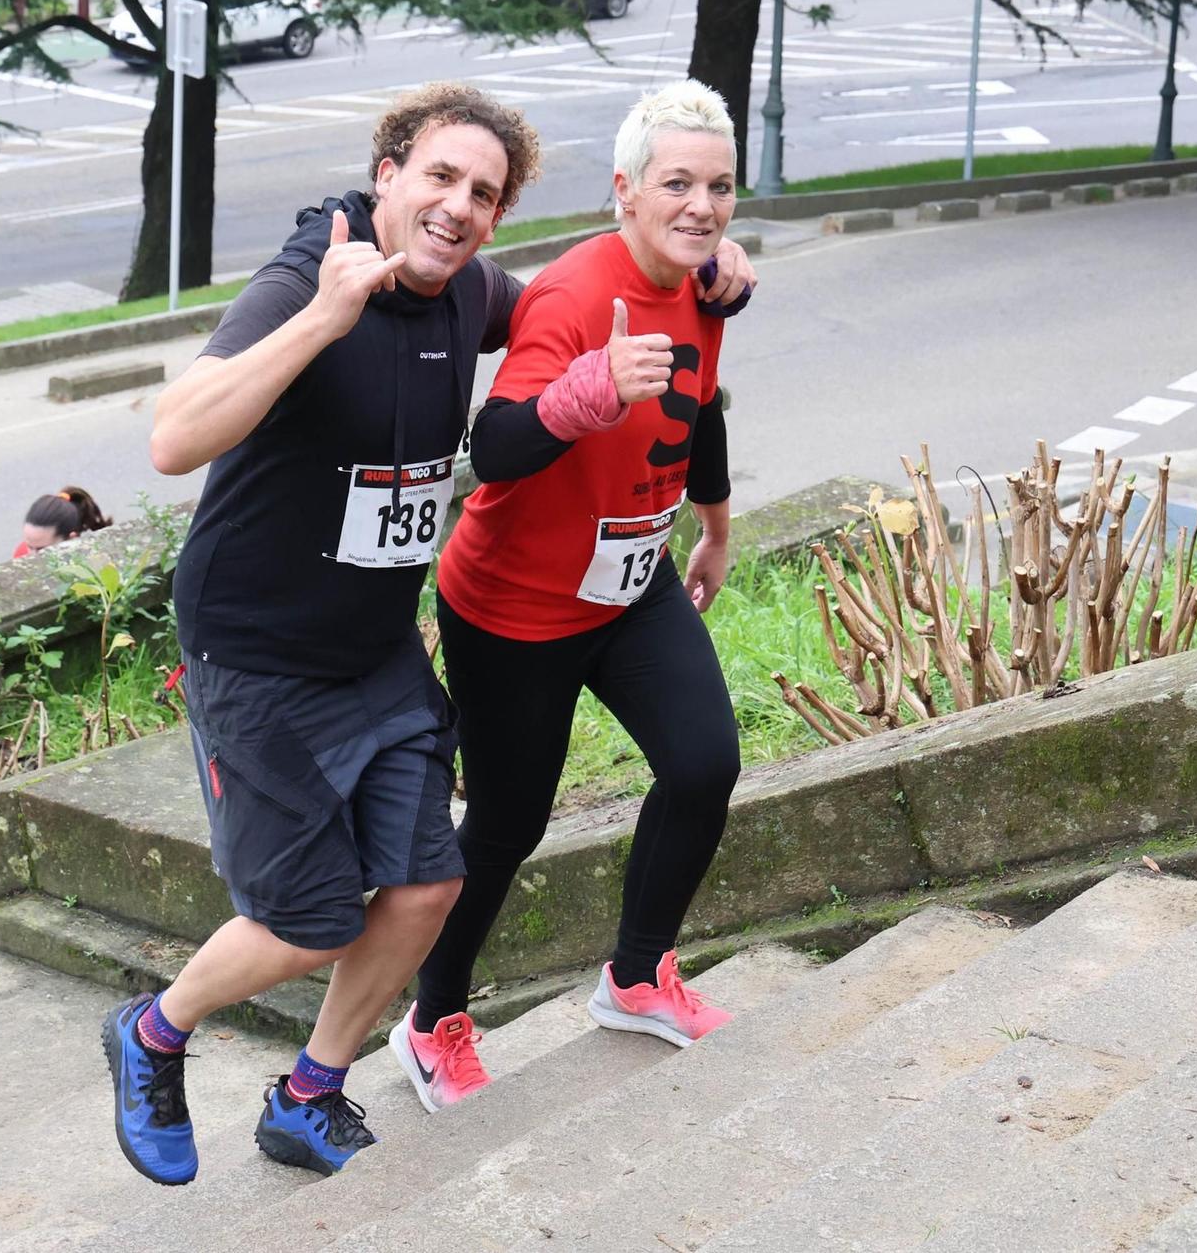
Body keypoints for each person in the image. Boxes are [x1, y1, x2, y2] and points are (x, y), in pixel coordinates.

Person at [110, 82, 755, 1187]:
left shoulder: (466, 291)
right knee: (309, 920)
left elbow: (568, 297)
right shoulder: (309, 277)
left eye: (483, 193)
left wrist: (705, 268)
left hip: (376, 651)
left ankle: (309, 1089)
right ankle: (154, 1030)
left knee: (424, 884)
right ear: (387, 176)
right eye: (438, 179)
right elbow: (173, 439)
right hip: (259, 659)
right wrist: (323, 316)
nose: (457, 206)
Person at [394, 81, 748, 1113]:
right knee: (506, 823)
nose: (700, 206)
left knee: (703, 763)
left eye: (718, 187)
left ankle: (636, 976)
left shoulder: (705, 284)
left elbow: (701, 404)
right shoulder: (573, 293)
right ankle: (433, 1019)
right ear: (624, 192)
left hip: (629, 585)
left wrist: (716, 528)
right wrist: (589, 387)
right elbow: (491, 449)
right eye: (675, 184)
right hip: (513, 610)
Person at [12, 486, 110, 558]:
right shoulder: (21, 554)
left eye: (41, 550)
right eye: (29, 546)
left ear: (71, 539)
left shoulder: (94, 563)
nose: (30, 557)